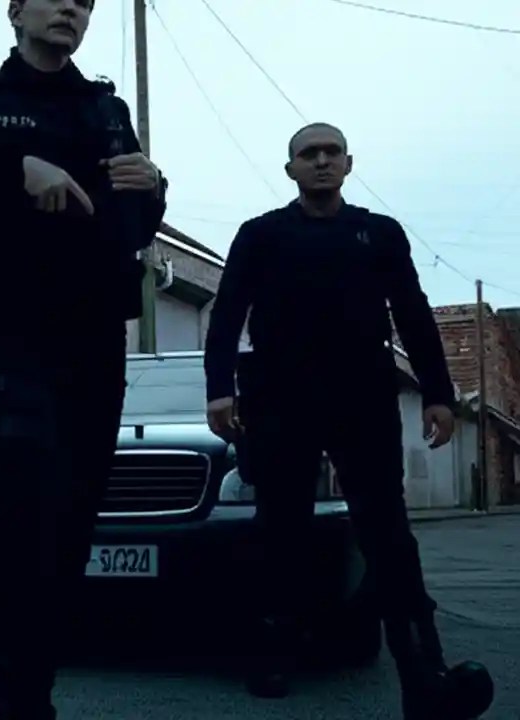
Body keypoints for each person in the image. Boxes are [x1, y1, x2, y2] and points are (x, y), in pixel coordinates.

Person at [0, 0, 167, 716]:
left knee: (72, 527)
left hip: (91, 342)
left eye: (85, 3)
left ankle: (31, 690)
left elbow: (134, 227)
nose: (72, 11)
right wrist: (13, 168)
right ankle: (22, 703)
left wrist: (152, 190)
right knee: (25, 516)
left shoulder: (105, 111)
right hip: (6, 338)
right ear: (16, 11)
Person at [203, 122, 493, 719]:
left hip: (362, 399)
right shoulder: (261, 235)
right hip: (280, 402)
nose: (321, 161)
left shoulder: (378, 234)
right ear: (290, 169)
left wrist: (440, 394)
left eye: (331, 152)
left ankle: (423, 670)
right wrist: (218, 391)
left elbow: (412, 311)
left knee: (388, 531)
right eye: (309, 154)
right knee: (280, 527)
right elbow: (227, 313)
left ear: (348, 162)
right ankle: (272, 653)